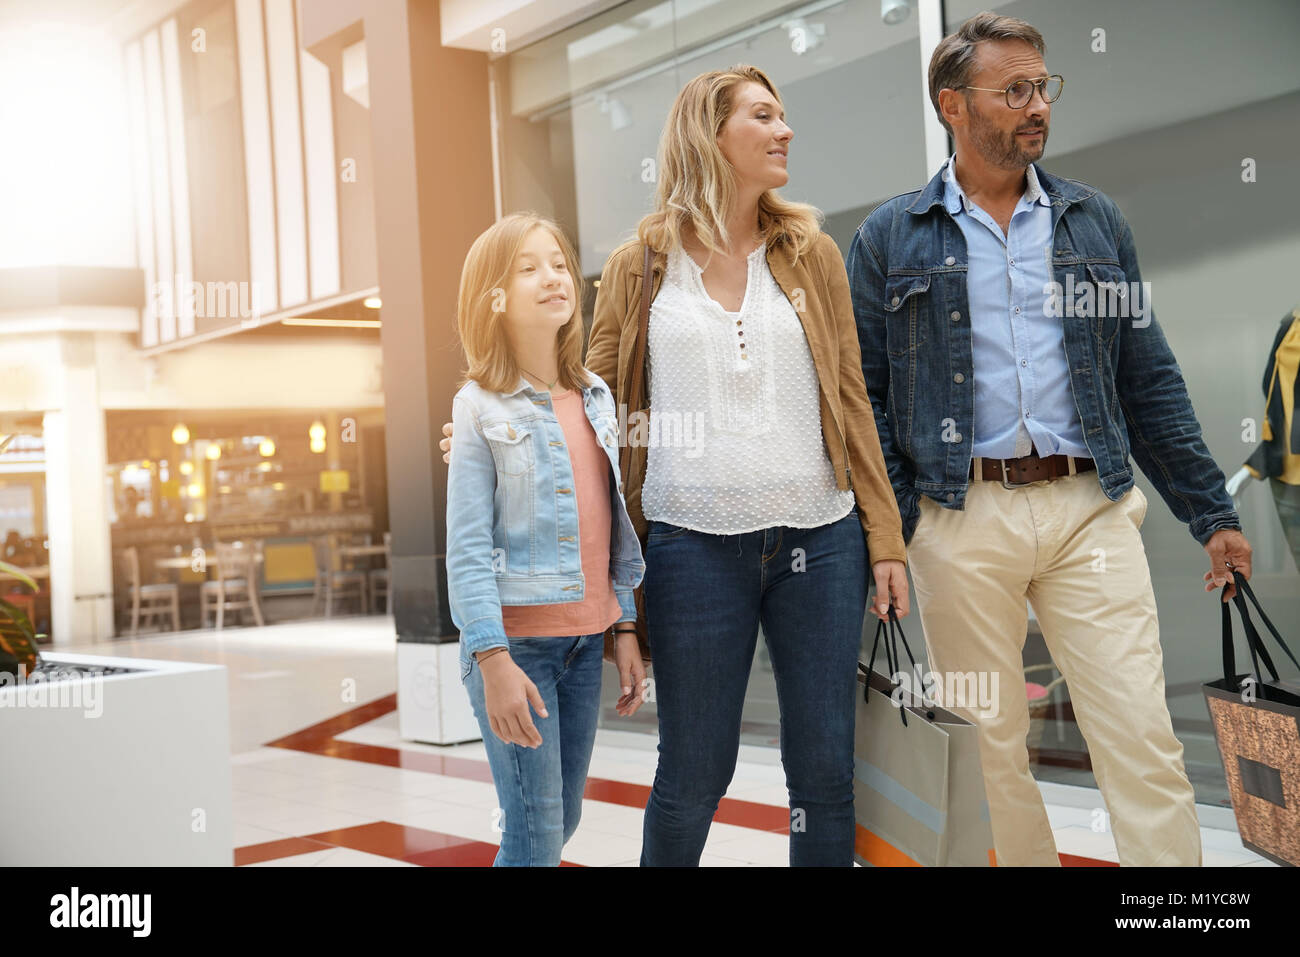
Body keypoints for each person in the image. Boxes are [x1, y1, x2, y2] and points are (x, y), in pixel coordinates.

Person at [446, 65, 909, 866]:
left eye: (783, 115)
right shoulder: (641, 264)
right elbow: (584, 397)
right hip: (692, 546)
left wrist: (886, 536)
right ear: (710, 134)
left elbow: (852, 397)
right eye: (763, 116)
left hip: (823, 541)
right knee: (695, 769)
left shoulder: (812, 254)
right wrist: (485, 435)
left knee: (826, 771)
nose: (784, 129)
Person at [847, 11, 1253, 866]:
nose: (1038, 107)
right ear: (954, 107)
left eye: (1044, 87)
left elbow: (1147, 376)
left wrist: (1210, 511)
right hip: (961, 517)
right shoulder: (893, 236)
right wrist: (901, 530)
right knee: (992, 748)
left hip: (1088, 510)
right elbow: (866, 398)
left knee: (1141, 733)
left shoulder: (1092, 222)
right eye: (1015, 91)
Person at [445, 212, 647, 867]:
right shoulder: (479, 405)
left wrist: (623, 629)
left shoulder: (593, 395)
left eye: (558, 262)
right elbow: (469, 550)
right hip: (517, 646)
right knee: (534, 835)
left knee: (559, 821)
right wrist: (490, 659)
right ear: (493, 298)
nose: (552, 277)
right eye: (527, 268)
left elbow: (609, 524)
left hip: (586, 642)